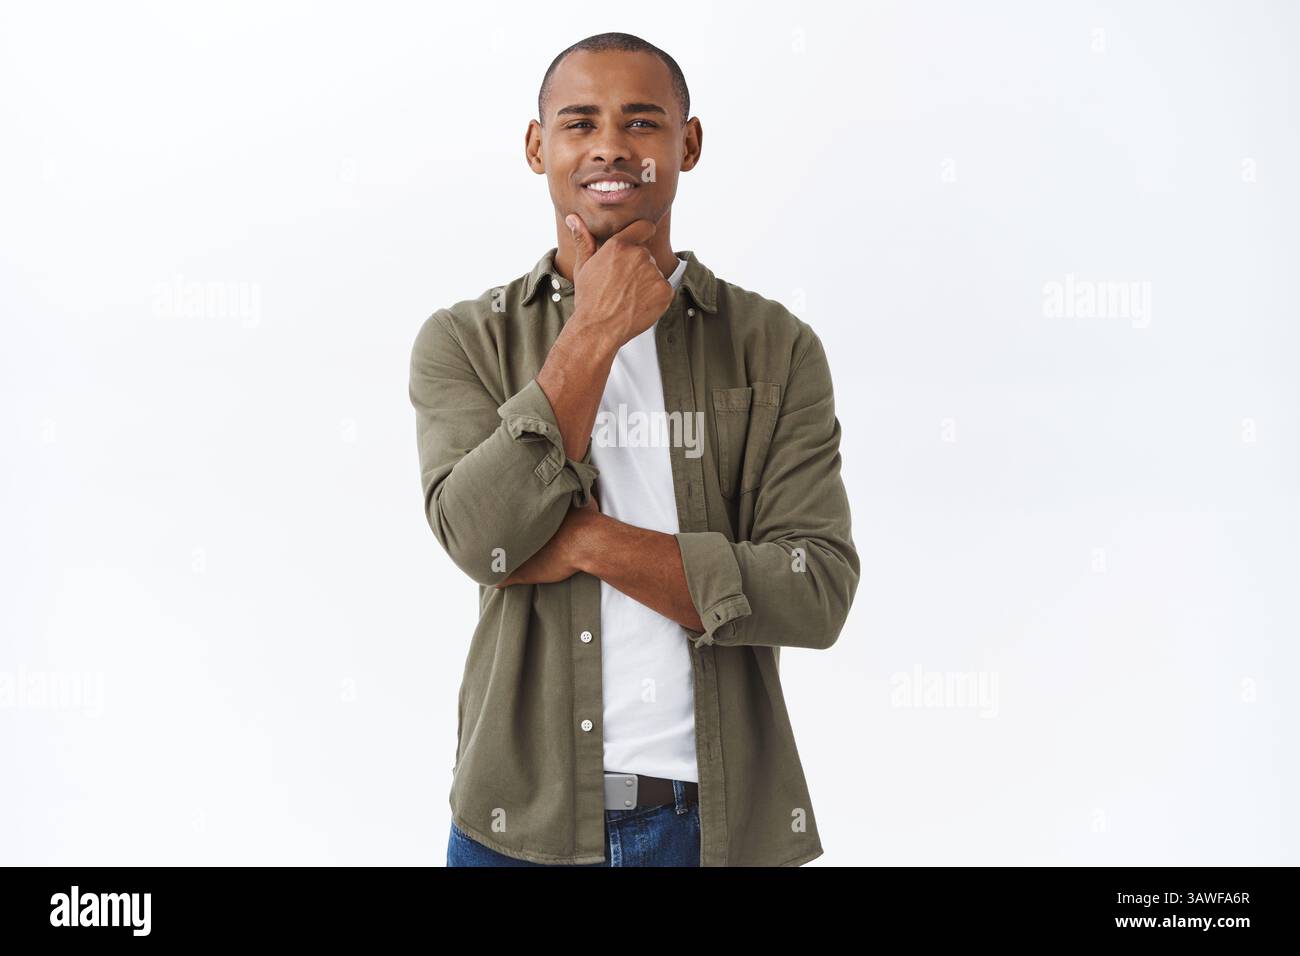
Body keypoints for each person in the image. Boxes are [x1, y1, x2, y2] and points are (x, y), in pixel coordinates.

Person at [409, 32, 860, 867]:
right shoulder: (467, 341)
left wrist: (581, 539)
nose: (611, 145)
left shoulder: (774, 347)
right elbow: (480, 539)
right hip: (516, 827)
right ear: (538, 146)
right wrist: (596, 329)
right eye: (580, 122)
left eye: (642, 122)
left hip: (716, 831)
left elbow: (817, 590)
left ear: (686, 145)